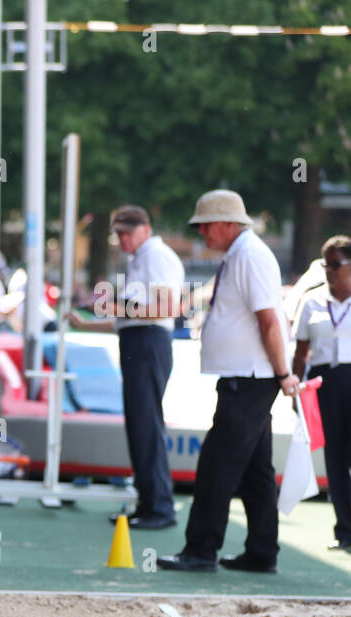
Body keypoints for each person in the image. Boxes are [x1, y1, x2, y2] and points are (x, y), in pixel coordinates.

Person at [158, 190, 299, 573]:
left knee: (217, 464)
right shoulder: (243, 254)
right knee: (255, 471)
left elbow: (269, 321)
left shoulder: (249, 256)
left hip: (250, 378)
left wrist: (284, 374)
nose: (201, 232)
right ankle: (262, 551)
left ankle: (201, 550)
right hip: (248, 376)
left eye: (204, 225)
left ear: (225, 223)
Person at [79, 205, 184, 529]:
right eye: (119, 233)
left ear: (145, 229)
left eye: (127, 232)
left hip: (148, 342)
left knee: (146, 426)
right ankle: (150, 503)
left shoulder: (154, 256)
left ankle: (159, 507)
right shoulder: (142, 257)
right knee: (141, 426)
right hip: (141, 341)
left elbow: (169, 307)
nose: (122, 239)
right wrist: (88, 322)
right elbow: (128, 318)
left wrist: (116, 305)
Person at [291, 235, 351, 552]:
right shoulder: (311, 301)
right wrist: (294, 389)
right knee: (336, 457)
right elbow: (301, 352)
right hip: (324, 381)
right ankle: (345, 531)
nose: (329, 271)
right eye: (325, 264)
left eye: (336, 264)